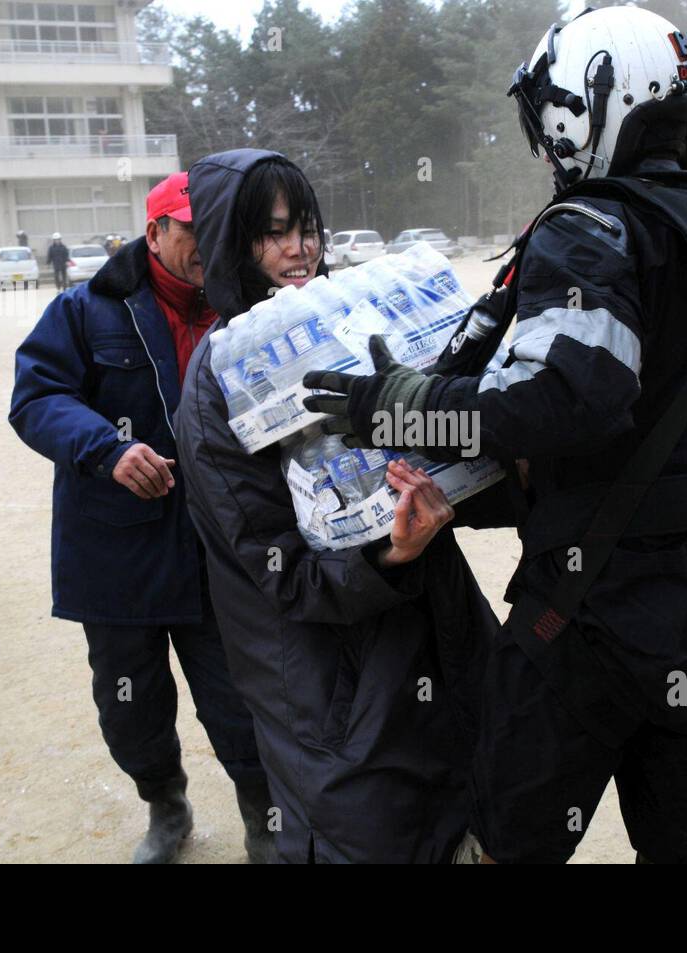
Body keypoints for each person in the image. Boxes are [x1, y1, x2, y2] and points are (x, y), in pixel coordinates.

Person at [303, 6, 687, 864]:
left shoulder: (586, 228)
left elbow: (569, 395)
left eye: (545, 127)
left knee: (510, 840)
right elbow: (644, 427)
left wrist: (398, 405)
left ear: (581, 112)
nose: (542, 152)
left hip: (597, 610)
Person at [175, 149, 495, 863]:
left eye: (307, 226)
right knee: (366, 834)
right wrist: (389, 556)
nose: (299, 248)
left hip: (437, 632)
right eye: (271, 230)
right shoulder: (219, 382)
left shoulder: (350, 319)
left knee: (466, 813)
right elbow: (273, 567)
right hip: (332, 686)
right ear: (231, 241)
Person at [9, 173, 274, 864]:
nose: (202, 244)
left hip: (217, 546)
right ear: (153, 232)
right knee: (130, 702)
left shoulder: (245, 307)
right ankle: (166, 802)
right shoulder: (86, 309)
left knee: (241, 698)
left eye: (211, 229)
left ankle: (263, 813)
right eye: (188, 229)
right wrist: (107, 447)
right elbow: (37, 397)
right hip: (116, 551)